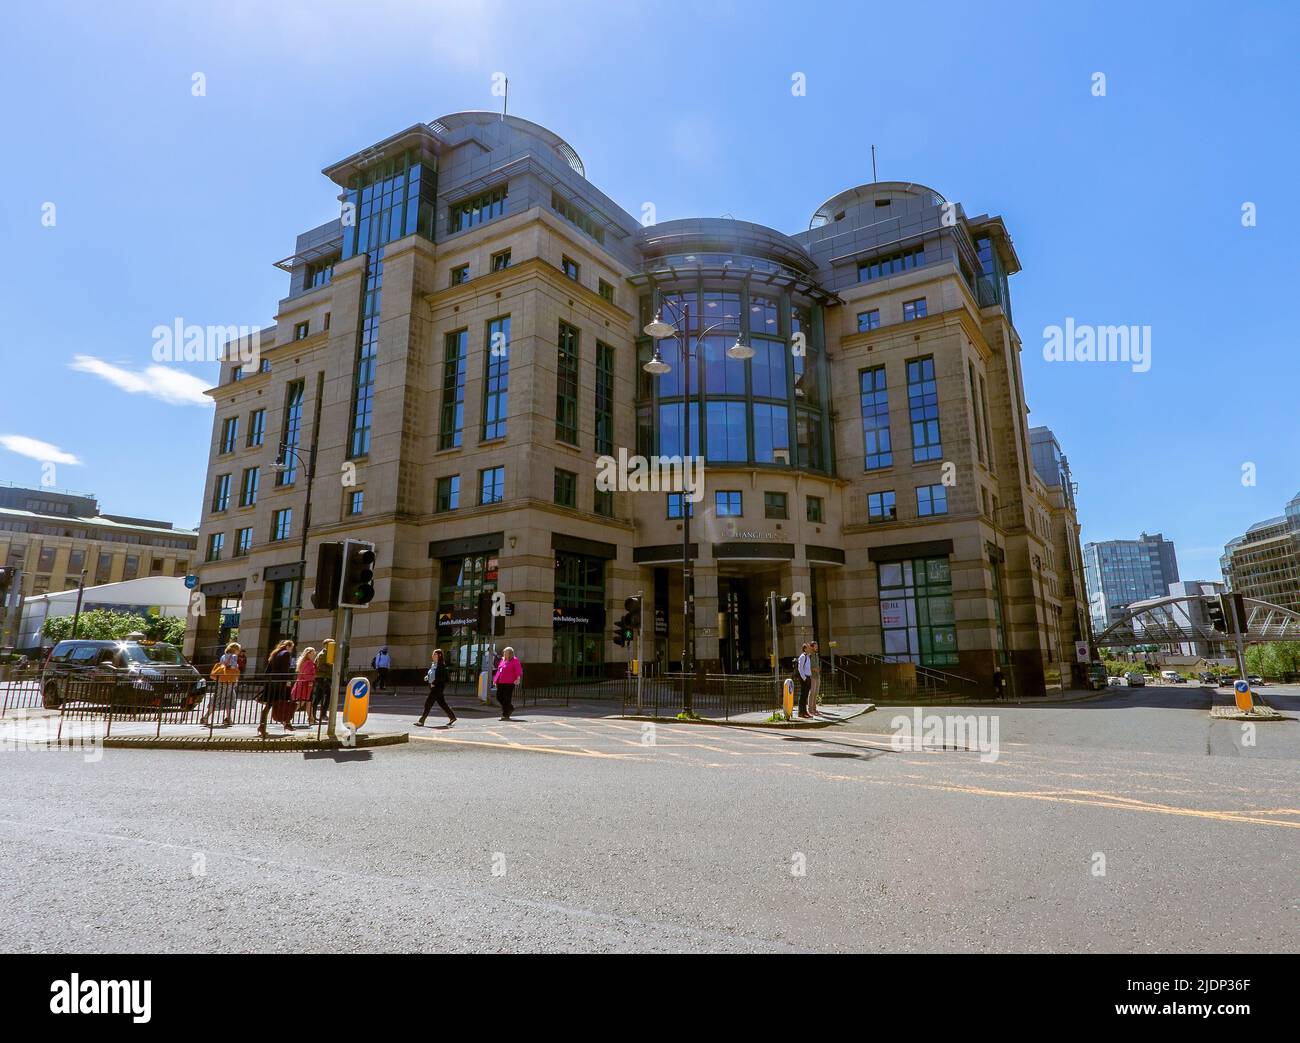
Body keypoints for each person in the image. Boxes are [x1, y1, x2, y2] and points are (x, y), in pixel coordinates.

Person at [259, 639, 295, 736]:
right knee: (285, 703)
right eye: (291, 648)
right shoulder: (286, 654)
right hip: (280, 683)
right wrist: (287, 681)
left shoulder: (274, 654)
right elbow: (285, 670)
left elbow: (267, 670)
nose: (291, 650)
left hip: (271, 682)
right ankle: (287, 723)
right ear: (289, 646)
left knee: (269, 705)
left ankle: (262, 726)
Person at [201, 641, 241, 729]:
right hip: (228, 681)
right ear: (236, 649)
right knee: (224, 698)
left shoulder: (223, 656)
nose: (239, 651)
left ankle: (228, 718)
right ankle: (206, 717)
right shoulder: (234, 656)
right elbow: (233, 666)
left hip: (222, 680)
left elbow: (222, 666)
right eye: (239, 649)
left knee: (225, 698)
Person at [416, 648, 455, 726]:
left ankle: (421, 720)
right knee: (442, 703)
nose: (433, 655)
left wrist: (434, 682)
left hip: (437, 687)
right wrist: (427, 677)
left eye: (435, 654)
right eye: (433, 654)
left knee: (428, 703)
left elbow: (442, 678)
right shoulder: (433, 664)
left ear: (439, 656)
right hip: (433, 687)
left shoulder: (441, 666)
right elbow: (432, 673)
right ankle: (452, 717)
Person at [287, 648, 318, 732]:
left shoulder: (304, 662)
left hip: (304, 685)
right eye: (312, 653)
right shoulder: (308, 663)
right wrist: (313, 678)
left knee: (307, 702)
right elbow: (307, 675)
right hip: (305, 685)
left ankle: (311, 719)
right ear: (308, 654)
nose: (314, 654)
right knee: (301, 702)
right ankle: (287, 717)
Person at [492, 646, 522, 721]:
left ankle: (506, 714)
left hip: (509, 683)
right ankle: (510, 707)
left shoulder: (515, 660)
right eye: (504, 652)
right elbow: (499, 671)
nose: (504, 654)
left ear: (510, 653)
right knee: (499, 697)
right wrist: (495, 680)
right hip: (501, 682)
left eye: (506, 653)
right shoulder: (503, 660)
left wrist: (517, 678)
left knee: (506, 698)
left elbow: (518, 670)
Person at [796, 643, 812, 718]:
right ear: (805, 649)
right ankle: (801, 712)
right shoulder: (802, 656)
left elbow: (808, 668)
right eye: (808, 647)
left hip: (808, 677)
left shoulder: (808, 657)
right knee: (803, 695)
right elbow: (800, 668)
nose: (810, 649)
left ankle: (805, 711)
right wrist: (805, 679)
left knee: (805, 696)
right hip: (804, 678)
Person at [808, 640, 822, 715]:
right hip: (812, 676)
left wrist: (818, 669)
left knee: (816, 693)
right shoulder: (810, 656)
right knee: (812, 692)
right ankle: (810, 709)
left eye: (817, 646)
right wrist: (814, 669)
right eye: (815, 646)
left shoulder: (816, 655)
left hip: (817, 675)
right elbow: (808, 667)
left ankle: (814, 708)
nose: (817, 647)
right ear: (812, 647)